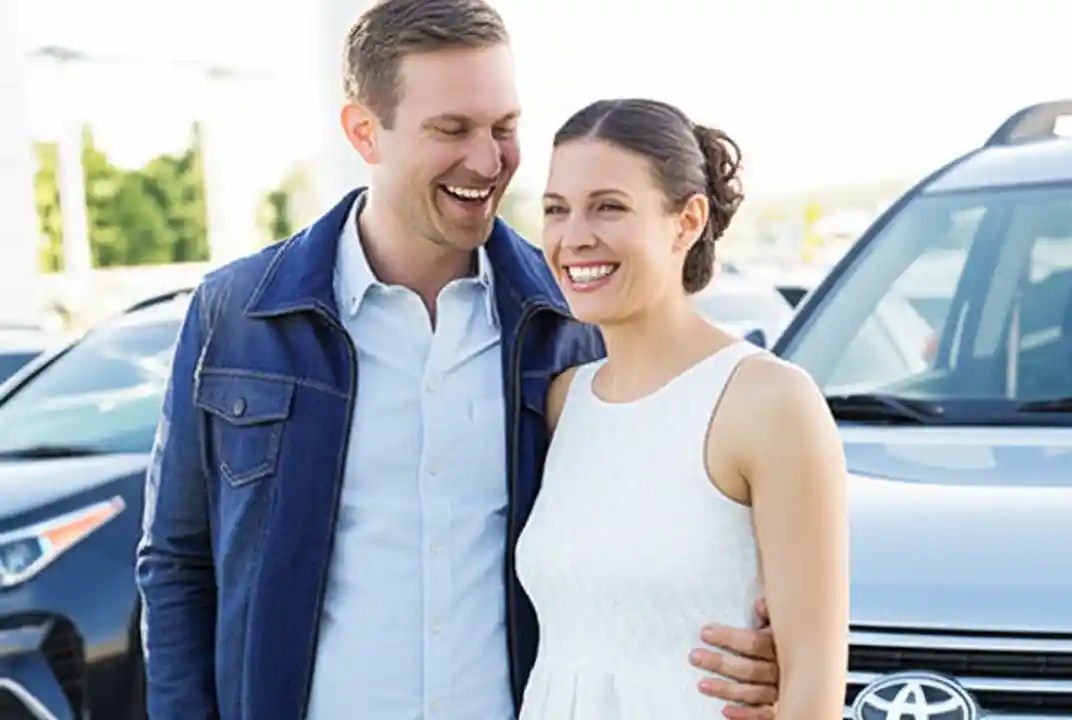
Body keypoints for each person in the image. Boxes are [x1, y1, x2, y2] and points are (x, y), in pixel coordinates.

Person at [134, 1, 784, 719]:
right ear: (364, 132)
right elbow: (177, 564)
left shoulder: (571, 322)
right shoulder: (237, 314)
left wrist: (754, 645)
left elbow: (652, 544)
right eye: (452, 130)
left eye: (504, 128)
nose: (487, 160)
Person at [514, 99, 849, 719]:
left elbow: (814, 690)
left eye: (609, 206)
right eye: (557, 209)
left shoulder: (767, 402)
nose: (574, 236)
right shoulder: (564, 403)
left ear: (686, 220)